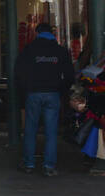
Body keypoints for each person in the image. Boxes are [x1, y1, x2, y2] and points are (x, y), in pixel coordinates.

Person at [14, 22, 74, 176]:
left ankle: (29, 164)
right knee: (51, 131)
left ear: (37, 33)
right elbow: (69, 76)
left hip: (33, 93)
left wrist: (26, 89)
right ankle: (49, 166)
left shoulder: (28, 50)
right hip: (53, 94)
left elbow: (19, 73)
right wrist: (60, 89)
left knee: (30, 130)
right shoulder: (61, 51)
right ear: (52, 33)